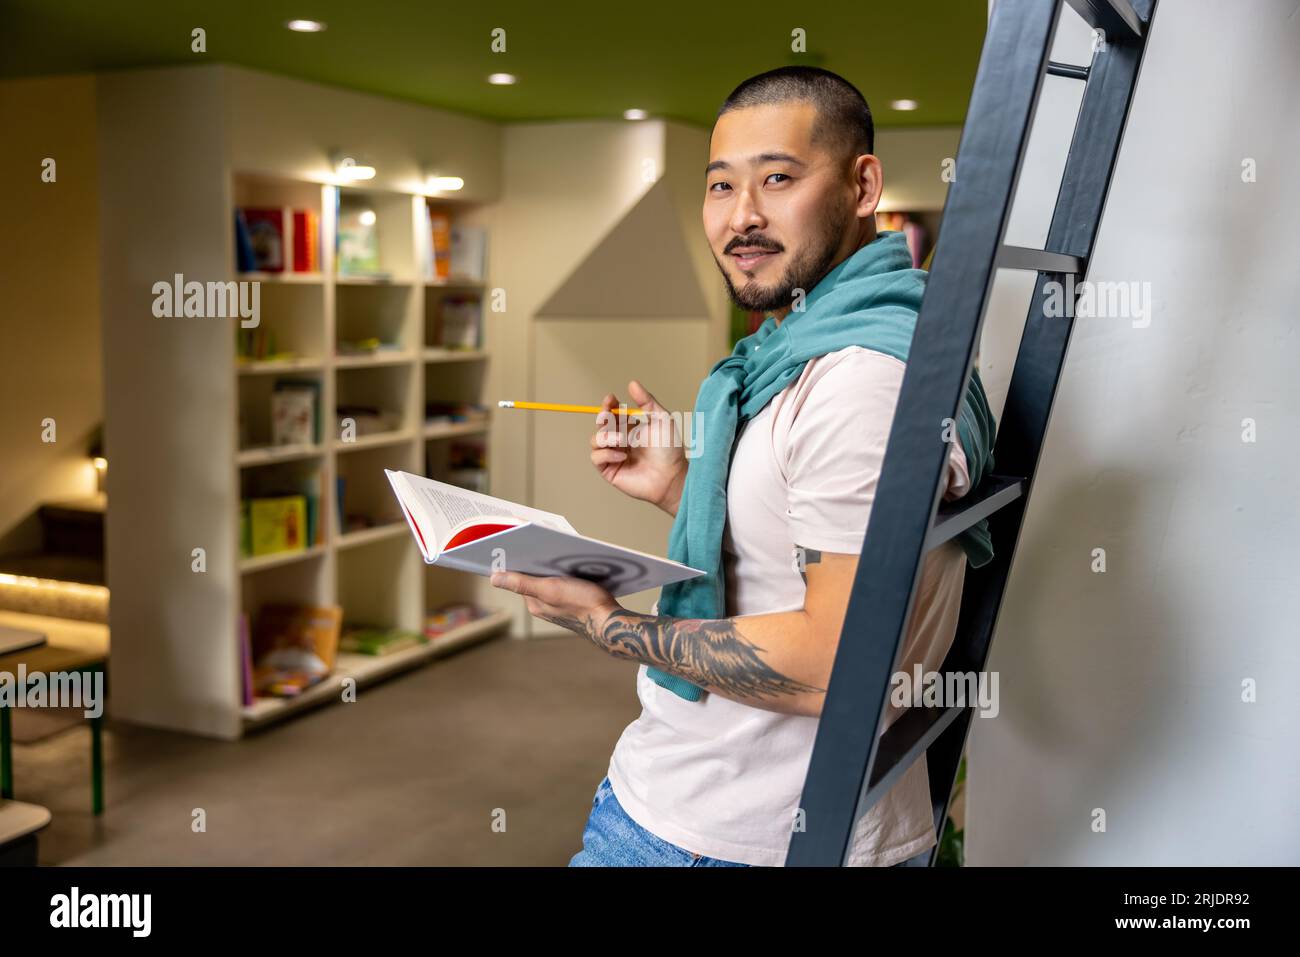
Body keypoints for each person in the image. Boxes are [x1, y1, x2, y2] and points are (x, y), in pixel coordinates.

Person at [490, 66, 994, 867]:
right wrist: (678, 486)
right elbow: (807, 552)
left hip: (728, 838)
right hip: (697, 807)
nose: (741, 215)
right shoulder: (817, 347)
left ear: (863, 185)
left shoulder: (858, 383)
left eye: (778, 178)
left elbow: (836, 665)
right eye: (720, 185)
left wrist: (609, 624)